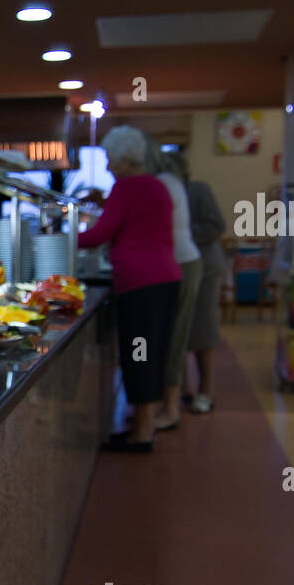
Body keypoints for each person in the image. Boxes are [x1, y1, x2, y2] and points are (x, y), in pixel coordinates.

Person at [78, 126, 180, 452]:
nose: (107, 166)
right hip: (166, 279)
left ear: (124, 158)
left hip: (140, 283)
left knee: (139, 355)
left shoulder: (126, 187)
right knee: (153, 353)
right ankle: (142, 426)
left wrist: (57, 240)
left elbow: (100, 234)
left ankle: (142, 434)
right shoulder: (157, 187)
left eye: (110, 159)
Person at [146, 147, 200, 431]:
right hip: (181, 263)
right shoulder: (172, 181)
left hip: (180, 265)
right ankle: (162, 407)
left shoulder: (164, 183)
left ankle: (170, 409)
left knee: (174, 340)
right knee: (171, 339)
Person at [176, 152, 226, 413]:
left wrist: (182, 235)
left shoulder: (198, 191)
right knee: (180, 329)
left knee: (203, 329)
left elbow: (217, 224)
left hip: (205, 267)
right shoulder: (169, 194)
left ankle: (206, 390)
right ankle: (184, 388)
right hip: (178, 269)